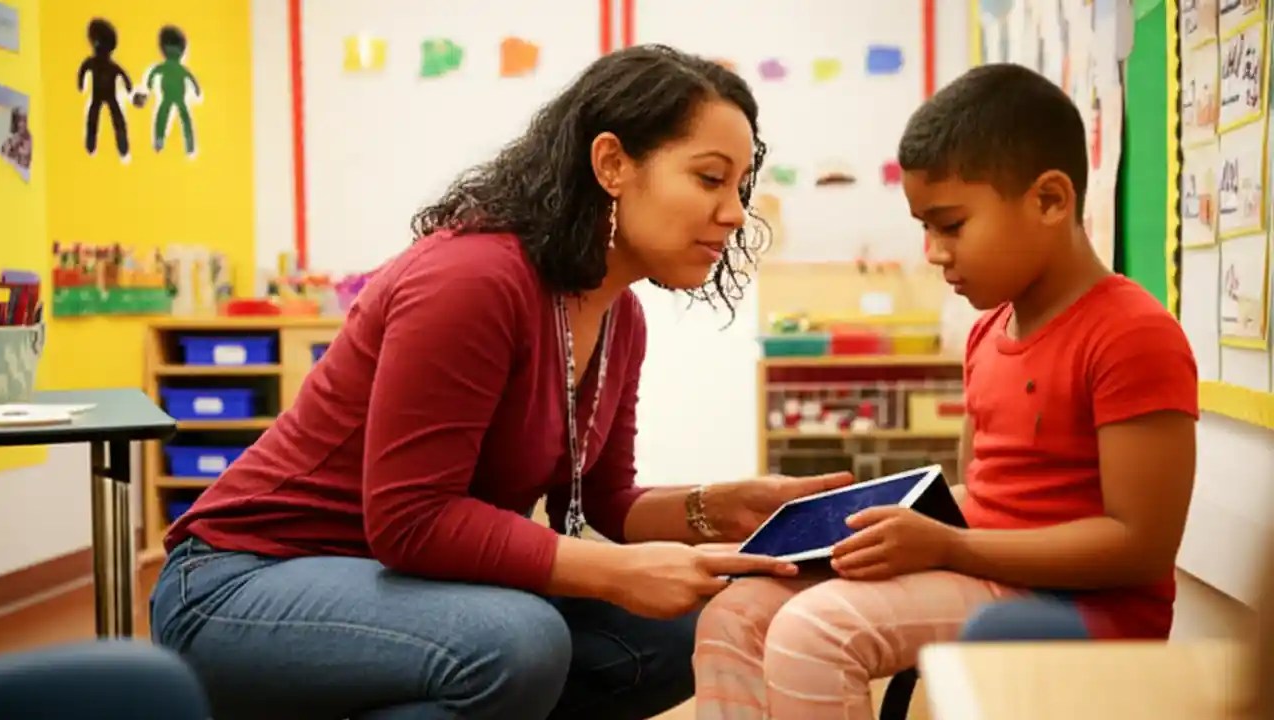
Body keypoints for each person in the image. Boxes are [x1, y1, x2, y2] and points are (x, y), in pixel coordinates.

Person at [149, 44, 852, 720]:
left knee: (682, 632)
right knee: (517, 641)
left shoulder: (619, 316)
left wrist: (721, 506)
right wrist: (621, 574)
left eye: (739, 187)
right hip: (240, 585)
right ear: (612, 163)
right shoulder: (473, 279)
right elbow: (409, 520)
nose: (734, 213)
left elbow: (605, 500)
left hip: (403, 590)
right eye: (708, 178)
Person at [693, 63, 1198, 719]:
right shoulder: (988, 332)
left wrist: (948, 545)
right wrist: (863, 528)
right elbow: (983, 494)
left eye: (950, 225)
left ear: (1050, 201)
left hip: (1082, 607)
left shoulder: (1131, 335)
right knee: (736, 613)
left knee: (813, 631)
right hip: (986, 571)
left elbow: (1141, 547)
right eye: (923, 226)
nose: (932, 252)